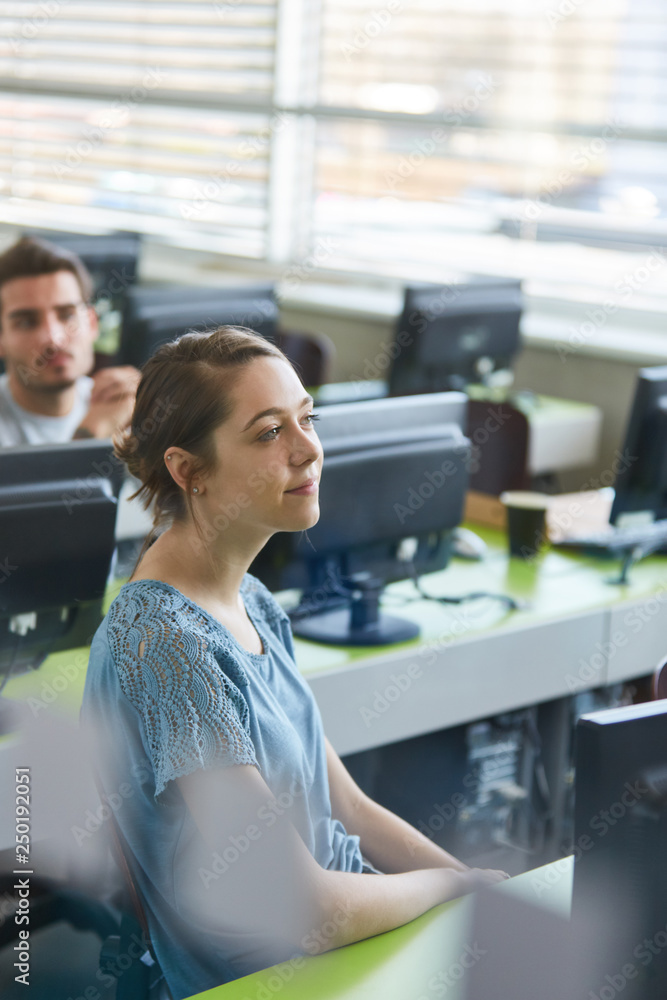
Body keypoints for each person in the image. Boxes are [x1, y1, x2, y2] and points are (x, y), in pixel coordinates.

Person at [81, 326, 507, 1000]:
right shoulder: (164, 645)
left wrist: (486, 896)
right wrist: (451, 885)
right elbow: (299, 911)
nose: (307, 449)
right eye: (267, 433)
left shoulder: (249, 598)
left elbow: (349, 808)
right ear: (187, 471)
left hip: (350, 942)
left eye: (306, 419)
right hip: (272, 979)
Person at [0, 235, 139, 447]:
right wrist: (90, 435)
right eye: (27, 322)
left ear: (92, 324)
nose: (55, 339)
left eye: (67, 316)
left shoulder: (117, 403)